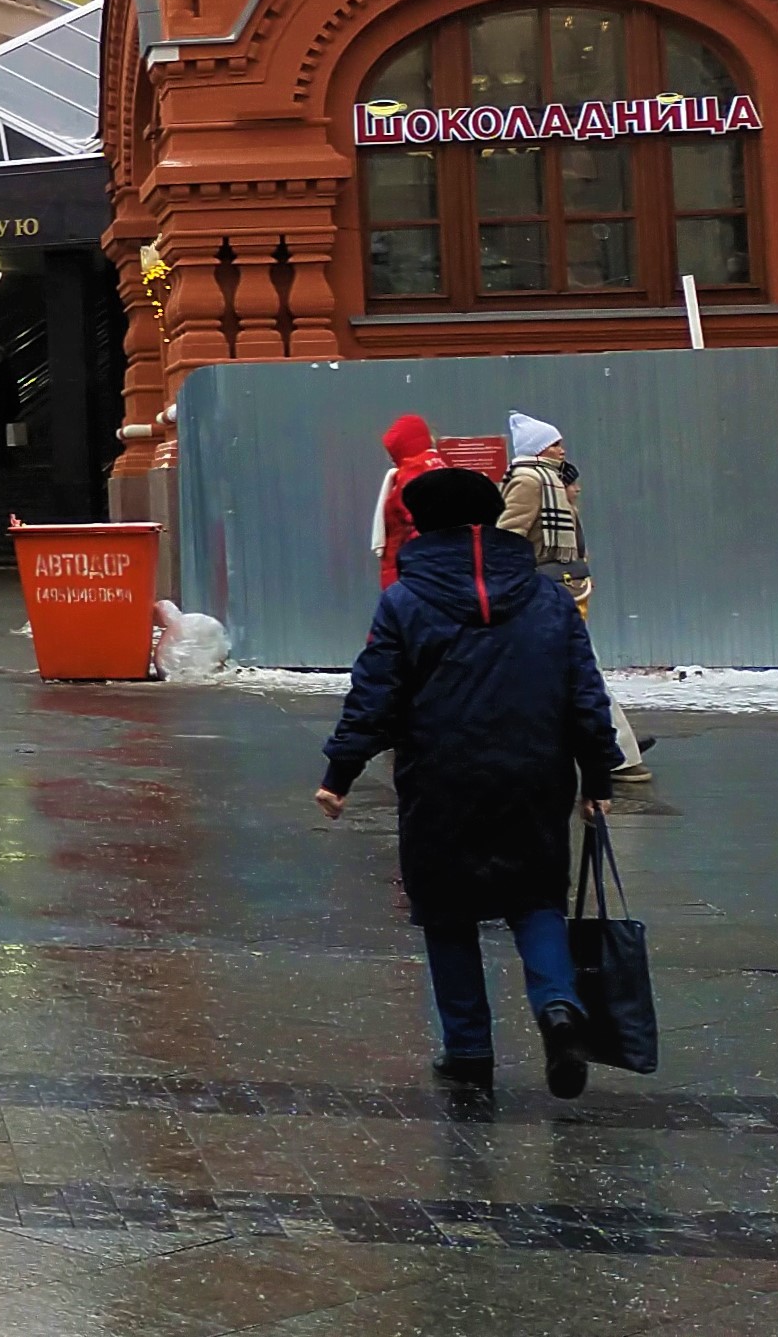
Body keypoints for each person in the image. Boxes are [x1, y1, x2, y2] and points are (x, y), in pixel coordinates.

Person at [317, 463, 623, 1104]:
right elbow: (585, 693)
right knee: (535, 897)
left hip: (439, 778)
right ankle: (560, 1010)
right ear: (490, 519)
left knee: (446, 910)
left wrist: (341, 772)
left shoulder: (405, 600)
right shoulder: (547, 598)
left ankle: (469, 1051)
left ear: (423, 529)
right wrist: (598, 774)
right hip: (536, 774)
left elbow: (376, 692)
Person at [502, 412, 649, 782]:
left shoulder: (547, 480)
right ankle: (613, 751)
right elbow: (509, 535)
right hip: (540, 589)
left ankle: (615, 751)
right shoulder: (531, 481)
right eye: (554, 443)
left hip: (548, 590)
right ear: (537, 449)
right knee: (572, 669)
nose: (562, 449)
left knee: (570, 669)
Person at [369, 413, 449, 591]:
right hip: (437, 572)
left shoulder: (411, 474)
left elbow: (419, 524)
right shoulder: (440, 466)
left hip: (408, 574)